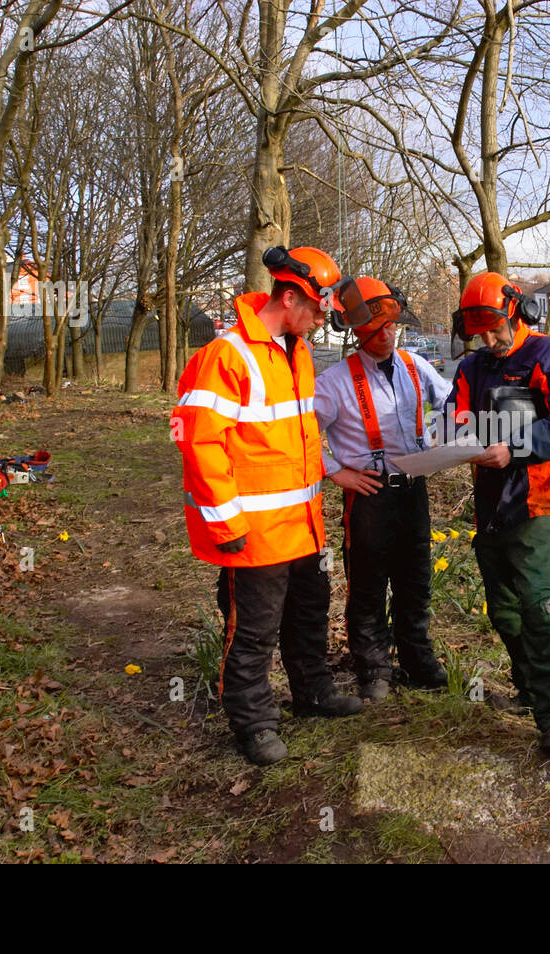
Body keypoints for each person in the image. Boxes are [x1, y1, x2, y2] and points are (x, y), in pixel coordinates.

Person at [171, 246, 363, 768]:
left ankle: (313, 692)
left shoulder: (295, 350)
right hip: (253, 532)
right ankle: (253, 723)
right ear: (291, 294)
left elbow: (294, 437)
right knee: (252, 631)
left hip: (302, 527)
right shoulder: (228, 355)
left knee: (308, 616)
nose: (324, 321)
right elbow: (200, 444)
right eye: (321, 309)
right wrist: (225, 522)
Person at [445, 271, 550, 757]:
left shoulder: (549, 356)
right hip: (491, 502)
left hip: (540, 497)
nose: (488, 340)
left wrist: (515, 448)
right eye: (478, 332)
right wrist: (453, 440)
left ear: (515, 311)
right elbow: (455, 417)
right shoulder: (473, 368)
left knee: (539, 603)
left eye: (494, 328)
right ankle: (531, 687)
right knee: (504, 608)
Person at [314, 278, 451, 701]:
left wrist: (451, 434)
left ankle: (416, 657)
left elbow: (450, 402)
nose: (387, 335)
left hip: (413, 489)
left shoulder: (415, 366)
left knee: (415, 576)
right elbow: (299, 435)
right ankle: (372, 665)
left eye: (390, 326)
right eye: (376, 329)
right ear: (357, 331)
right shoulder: (334, 381)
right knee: (369, 581)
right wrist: (337, 472)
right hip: (369, 494)